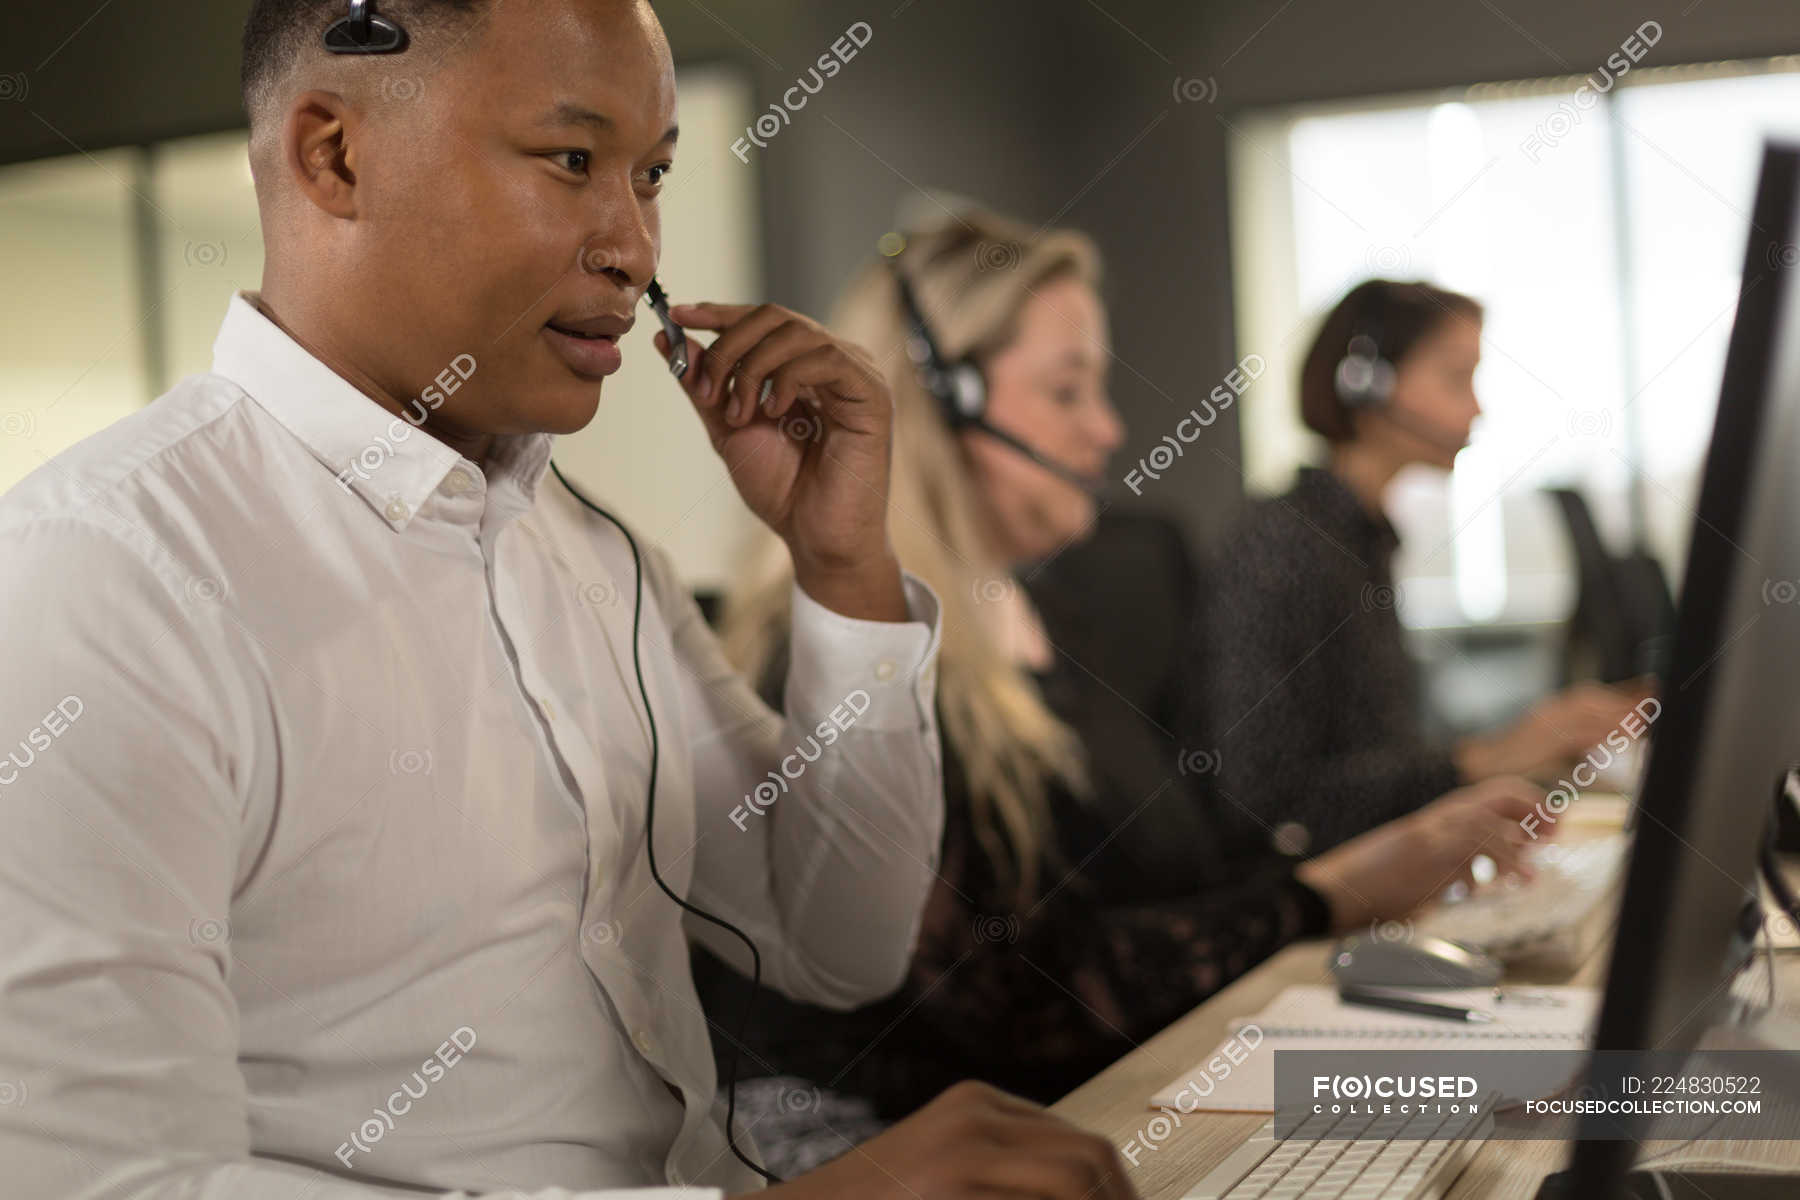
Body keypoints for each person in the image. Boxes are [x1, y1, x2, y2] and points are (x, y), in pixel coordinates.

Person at [0, 4, 1145, 1199]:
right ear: (333, 155)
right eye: (571, 161)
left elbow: (839, 940)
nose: (636, 249)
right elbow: (108, 1186)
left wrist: (841, 567)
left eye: (649, 175)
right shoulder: (101, 582)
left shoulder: (593, 552)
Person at [690, 214, 1546, 1177]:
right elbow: (1019, 1000)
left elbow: (1173, 876)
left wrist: (1384, 861)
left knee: (1533, 1103)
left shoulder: (1046, 615)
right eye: (1068, 390)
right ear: (945, 398)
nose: (1107, 428)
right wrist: (1327, 896)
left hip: (1099, 1100)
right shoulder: (836, 657)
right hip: (891, 1157)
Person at [1198, 278, 1652, 858]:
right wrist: (1486, 759)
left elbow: (1381, 753)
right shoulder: (1281, 546)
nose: (1478, 407)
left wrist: (1525, 745)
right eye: (1456, 377)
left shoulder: (1363, 538)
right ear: (1364, 385)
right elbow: (1268, 805)